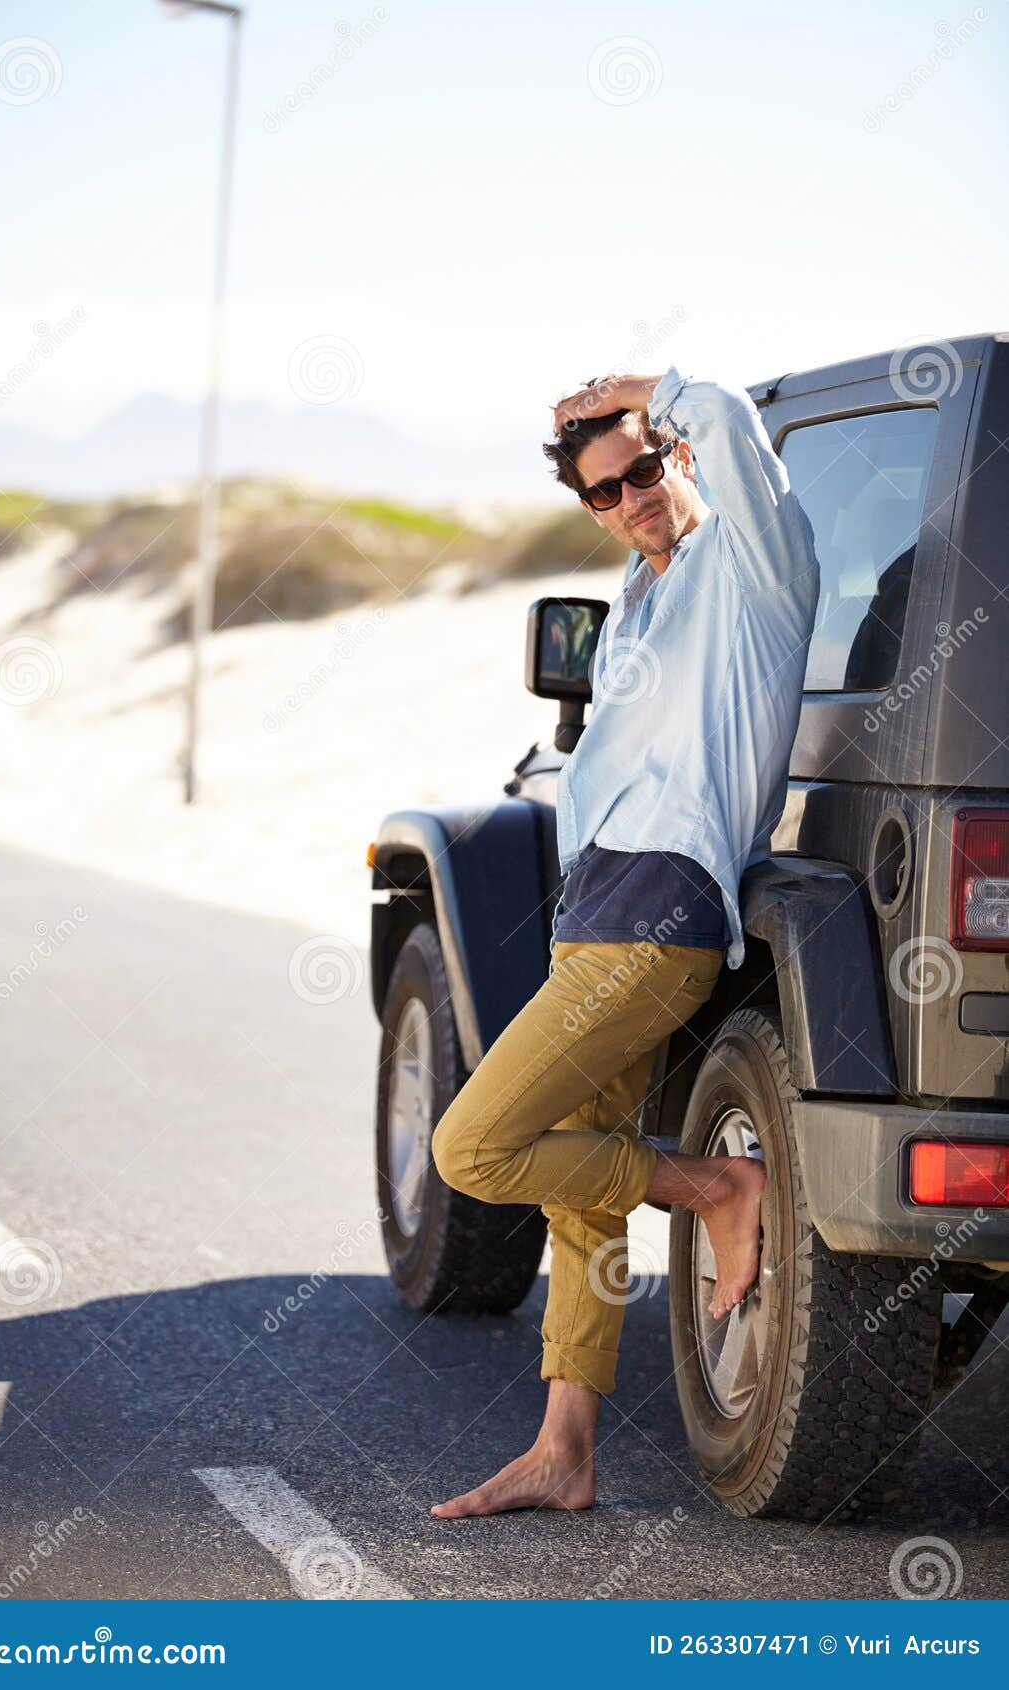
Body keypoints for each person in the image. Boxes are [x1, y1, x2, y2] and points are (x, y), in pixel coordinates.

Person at [428, 367, 820, 1519]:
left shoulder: (749, 569)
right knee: (582, 1198)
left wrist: (653, 390)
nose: (632, 500)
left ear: (679, 458)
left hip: (654, 930)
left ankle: (715, 1185)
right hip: (589, 919)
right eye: (605, 492)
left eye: (644, 470)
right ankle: (564, 1450)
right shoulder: (638, 600)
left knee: (474, 1147)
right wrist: (585, 431)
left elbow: (738, 433)